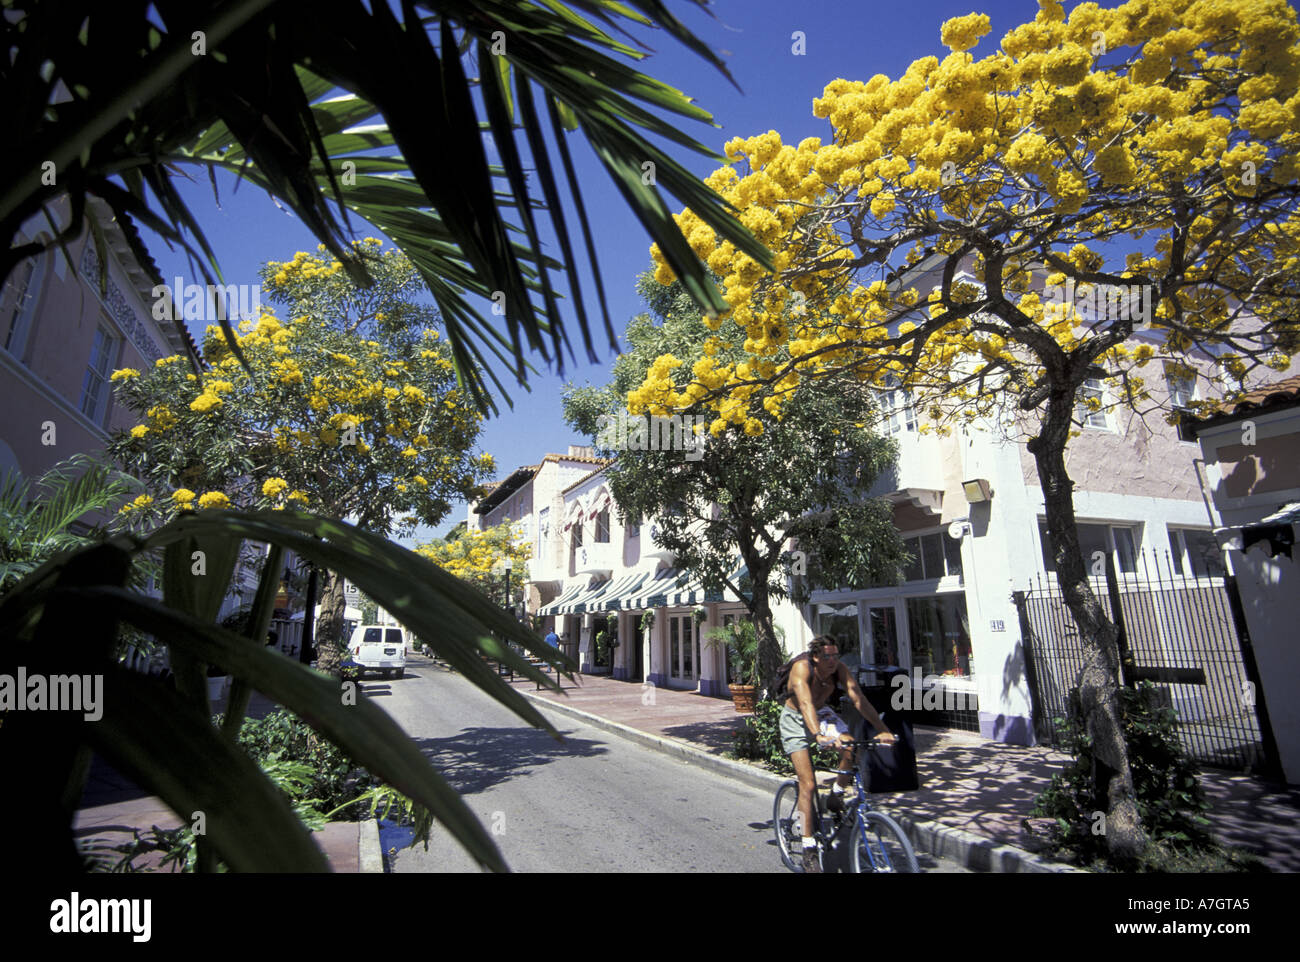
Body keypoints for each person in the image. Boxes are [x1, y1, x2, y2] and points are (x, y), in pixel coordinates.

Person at [781, 635, 896, 873]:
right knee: (808, 785)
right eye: (827, 656)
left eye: (835, 655)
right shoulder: (801, 669)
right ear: (815, 657)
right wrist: (819, 736)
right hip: (795, 719)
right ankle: (808, 846)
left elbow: (858, 698)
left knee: (851, 744)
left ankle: (836, 794)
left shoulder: (839, 670)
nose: (833, 661)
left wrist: (884, 730)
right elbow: (804, 704)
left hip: (821, 713)